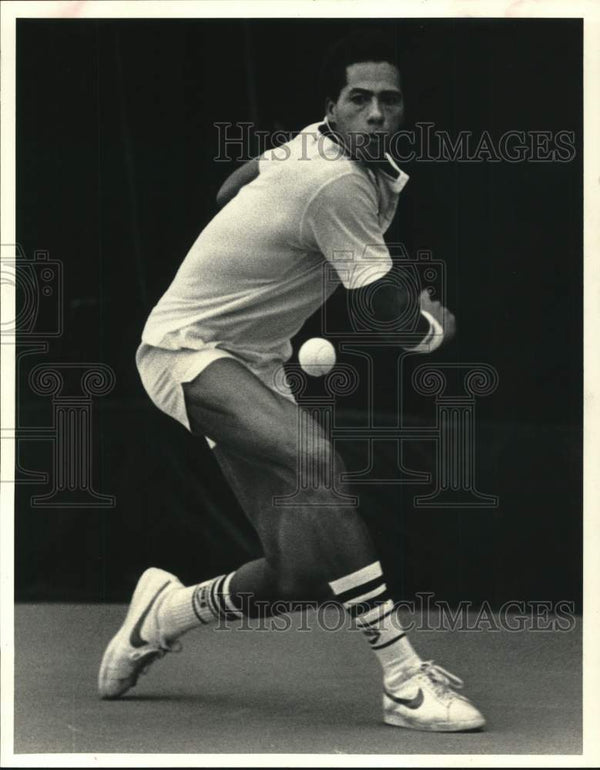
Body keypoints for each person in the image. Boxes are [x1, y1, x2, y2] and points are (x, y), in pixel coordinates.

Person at [98, 30, 485, 732]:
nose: (376, 113)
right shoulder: (336, 181)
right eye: (359, 99)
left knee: (298, 574)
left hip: (253, 360)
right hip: (188, 348)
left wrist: (262, 226)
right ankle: (404, 681)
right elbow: (384, 313)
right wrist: (431, 331)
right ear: (333, 107)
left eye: (389, 100)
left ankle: (164, 614)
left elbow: (231, 184)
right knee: (315, 464)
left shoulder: (317, 147)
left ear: (404, 110)